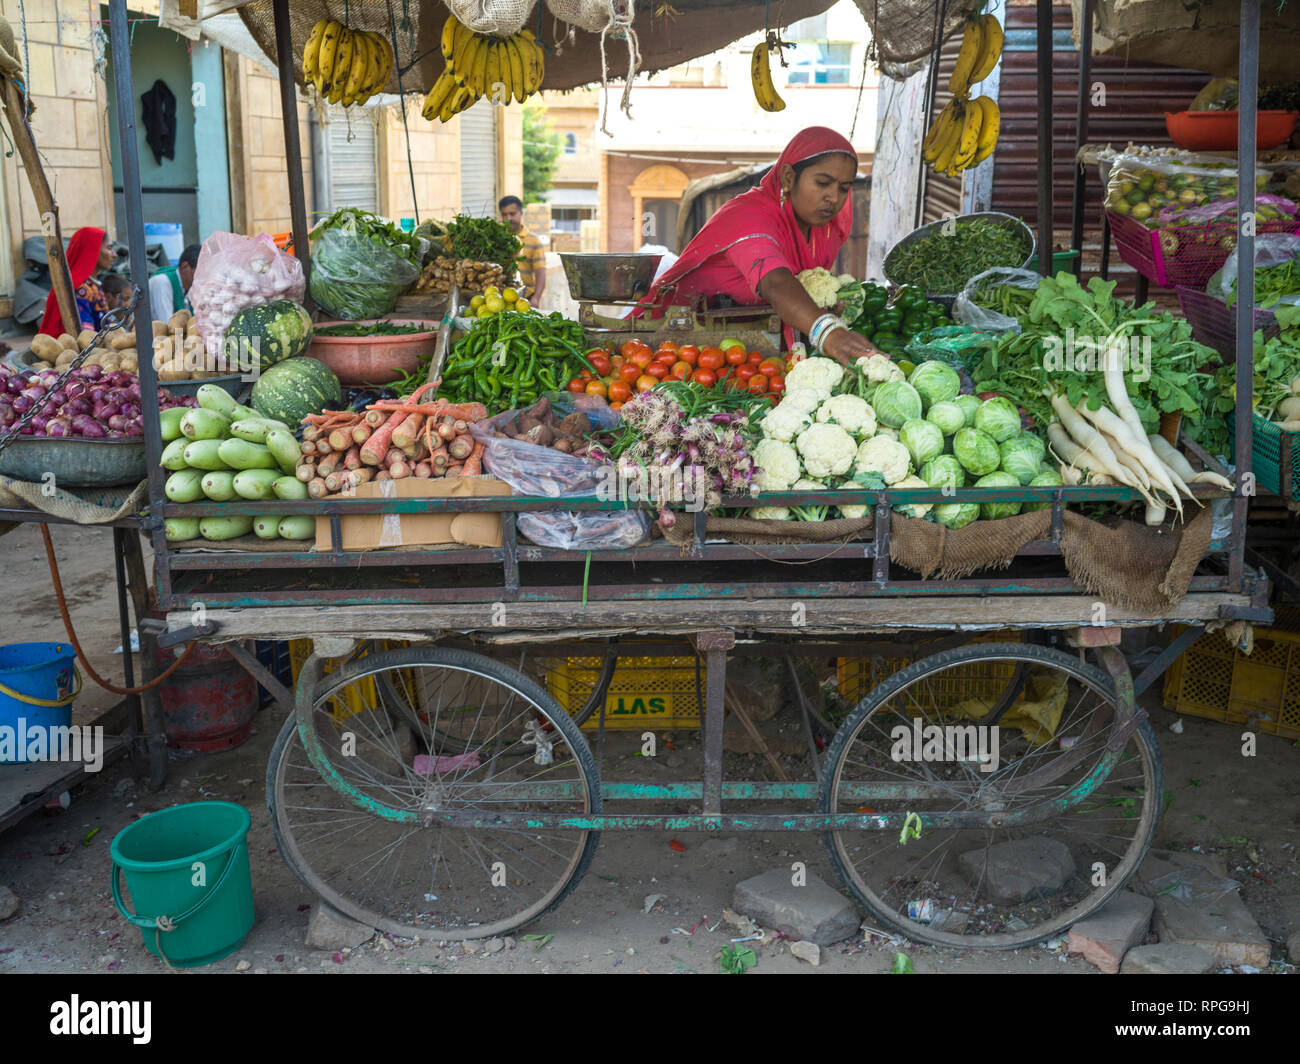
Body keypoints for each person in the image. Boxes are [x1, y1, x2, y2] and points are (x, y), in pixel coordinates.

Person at [633, 127, 874, 366]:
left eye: (844, 188)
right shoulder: (748, 215)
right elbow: (775, 282)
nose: (834, 197)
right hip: (666, 349)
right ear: (789, 177)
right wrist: (827, 330)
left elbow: (805, 285)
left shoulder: (823, 229)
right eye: (823, 183)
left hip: (747, 353)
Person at [37, 227, 114, 336]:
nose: (114, 255)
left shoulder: (91, 285)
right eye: (109, 248)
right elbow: (86, 338)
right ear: (92, 249)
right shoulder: (82, 289)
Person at [498, 195, 546, 303]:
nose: (508, 219)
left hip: (525, 299)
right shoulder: (497, 238)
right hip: (500, 298)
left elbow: (540, 272)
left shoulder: (534, 241)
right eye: (504, 214)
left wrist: (536, 298)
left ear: (521, 213)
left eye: (512, 214)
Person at [148, 242, 200, 317]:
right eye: (200, 272)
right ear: (185, 266)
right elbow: (169, 325)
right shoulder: (161, 283)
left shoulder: (191, 288)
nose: (204, 277)